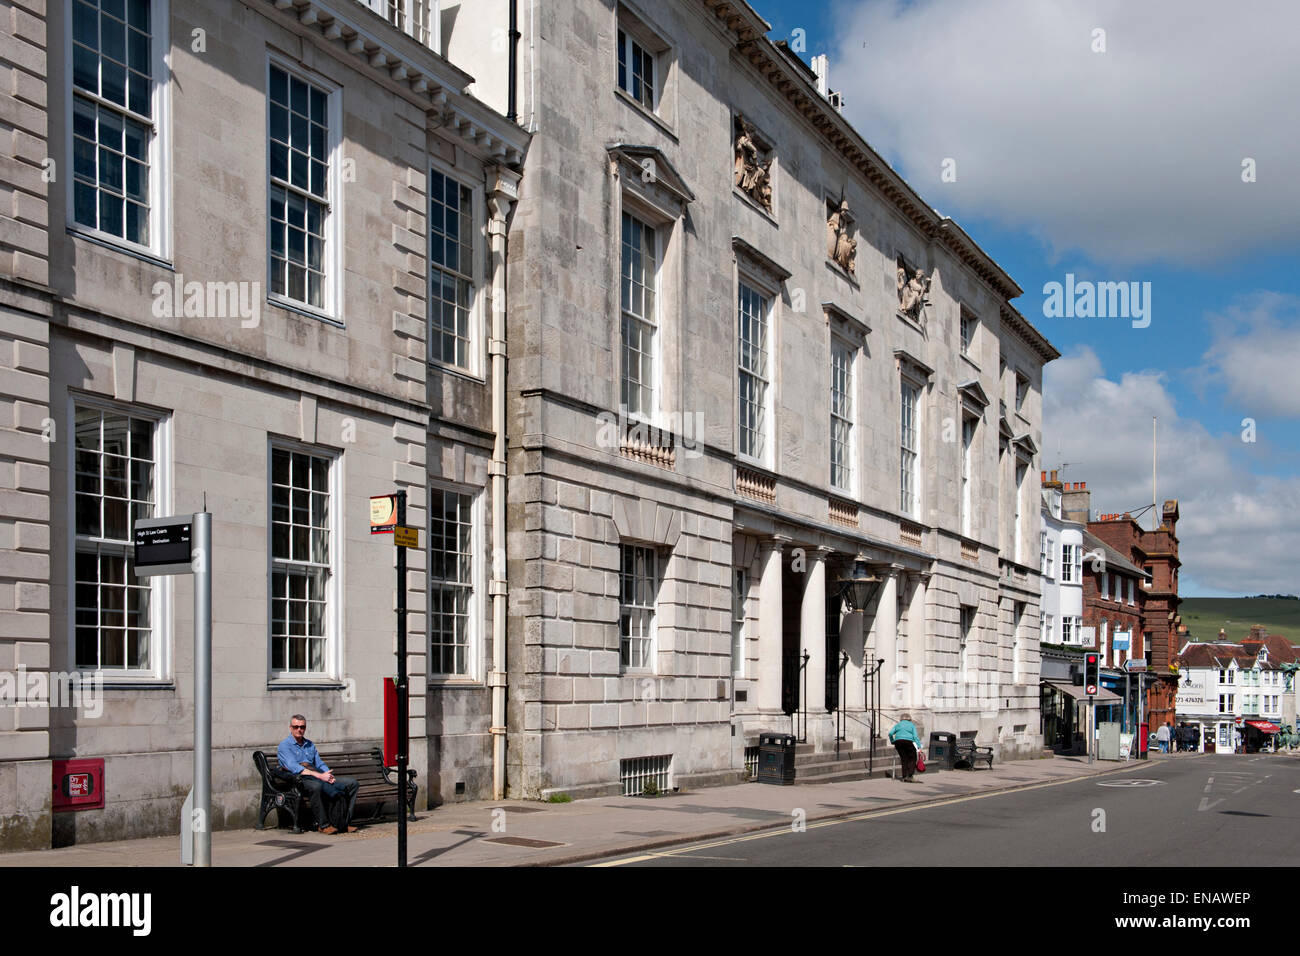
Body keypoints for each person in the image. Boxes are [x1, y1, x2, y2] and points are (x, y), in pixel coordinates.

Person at [277, 715, 360, 834]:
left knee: (352, 784)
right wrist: (320, 776)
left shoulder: (309, 744)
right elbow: (294, 767)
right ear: (290, 728)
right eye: (296, 727)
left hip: (318, 776)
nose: (299, 729)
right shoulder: (285, 746)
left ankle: (344, 823)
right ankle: (323, 825)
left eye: (302, 727)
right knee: (316, 787)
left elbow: (319, 763)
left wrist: (327, 774)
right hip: (300, 779)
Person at [888, 713, 922, 783]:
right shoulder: (911, 725)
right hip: (908, 741)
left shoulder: (898, 725)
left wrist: (892, 741)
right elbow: (915, 736)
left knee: (904, 759)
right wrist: (919, 747)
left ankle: (904, 777)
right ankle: (910, 776)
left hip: (898, 742)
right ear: (910, 719)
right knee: (912, 758)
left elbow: (890, 733)